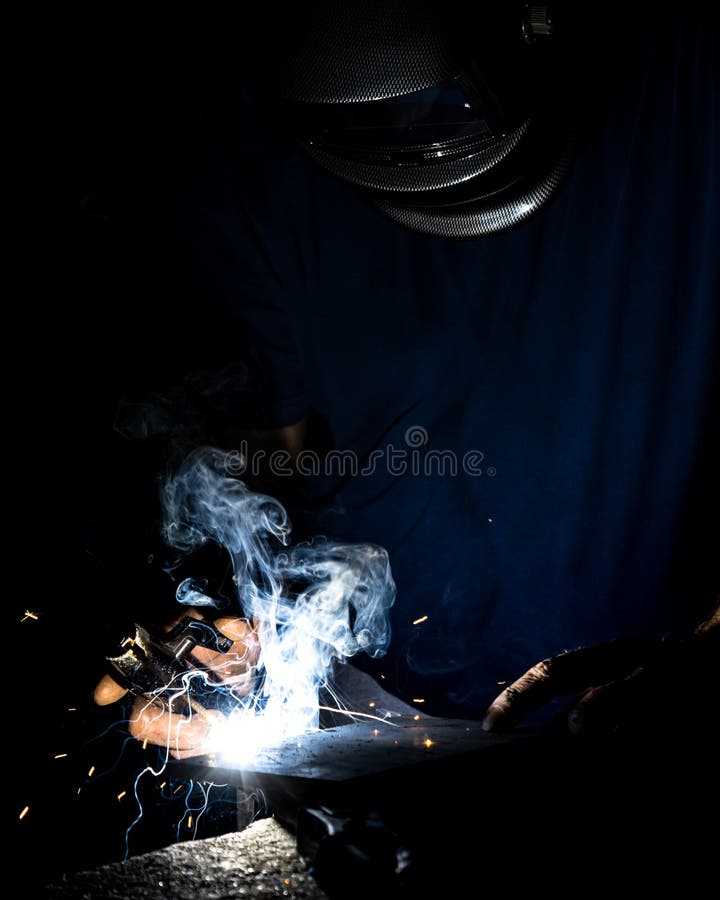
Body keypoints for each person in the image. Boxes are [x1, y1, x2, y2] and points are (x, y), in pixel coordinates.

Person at [95, 2, 718, 759]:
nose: (416, 139)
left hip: (663, 695)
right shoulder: (243, 137)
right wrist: (222, 610)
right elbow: (262, 458)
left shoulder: (687, 55)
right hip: (379, 714)